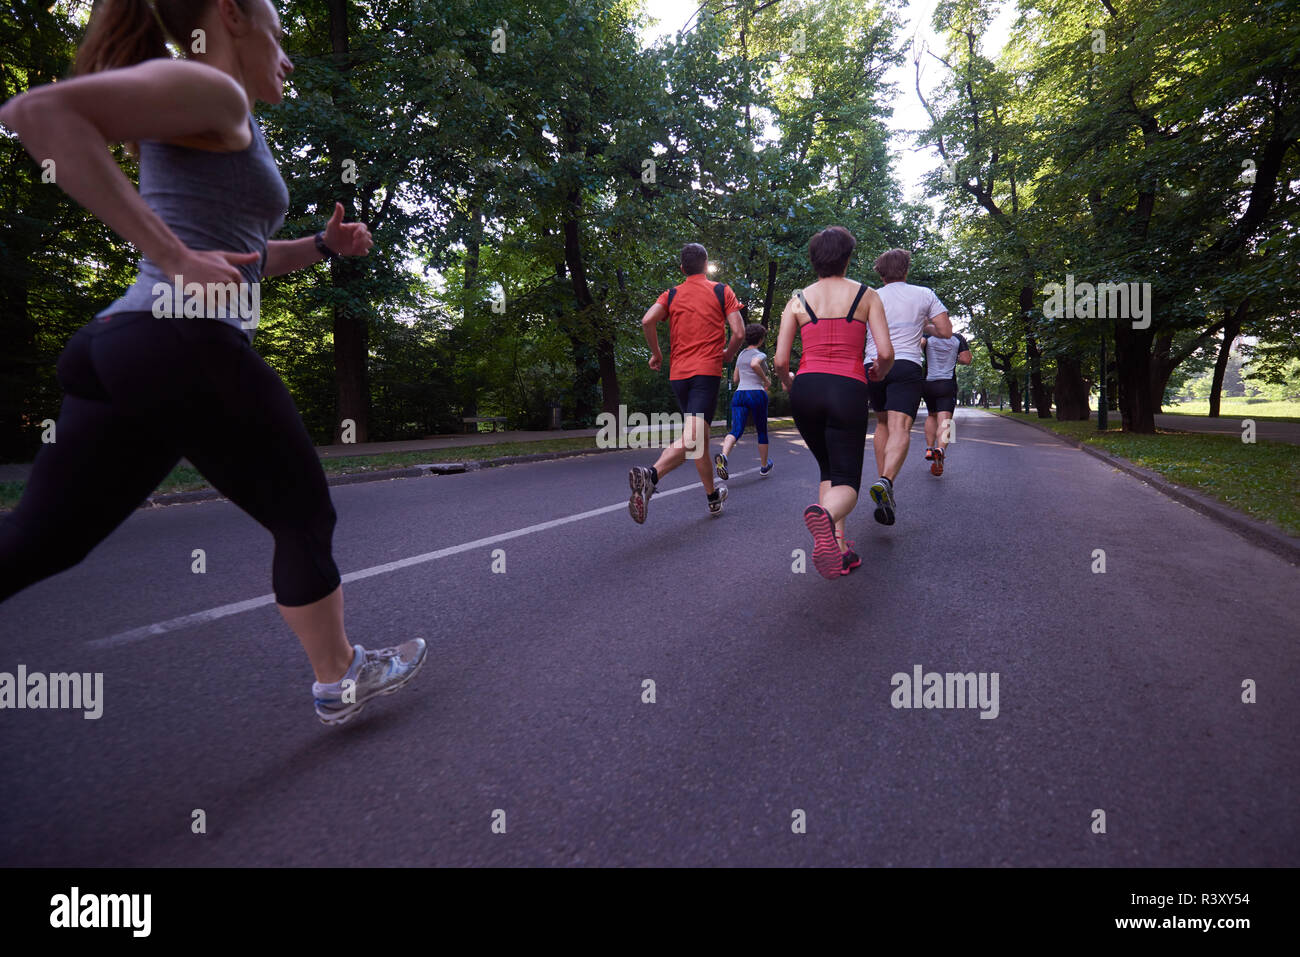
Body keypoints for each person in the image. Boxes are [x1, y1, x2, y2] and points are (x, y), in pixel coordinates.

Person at [0, 0, 425, 726]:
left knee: (44, 541)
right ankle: (340, 675)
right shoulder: (214, 88)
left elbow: (241, 262)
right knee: (303, 510)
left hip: (124, 346)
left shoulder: (220, 109)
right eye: (280, 33)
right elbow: (34, 114)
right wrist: (172, 256)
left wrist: (323, 249)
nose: (287, 52)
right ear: (230, 13)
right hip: (180, 343)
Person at [775, 226, 893, 580]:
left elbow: (781, 361)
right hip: (847, 387)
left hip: (806, 389)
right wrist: (880, 372)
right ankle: (825, 518)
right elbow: (885, 353)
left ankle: (839, 548)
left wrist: (788, 385)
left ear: (813, 259)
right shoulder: (867, 295)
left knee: (828, 468)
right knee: (848, 482)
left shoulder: (797, 299)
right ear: (848, 257)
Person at [628, 243, 745, 522]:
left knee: (698, 441)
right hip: (706, 373)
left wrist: (656, 354)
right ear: (706, 265)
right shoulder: (721, 290)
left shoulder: (671, 294)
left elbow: (647, 320)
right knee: (694, 437)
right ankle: (651, 475)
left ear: (682, 269)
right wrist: (727, 354)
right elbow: (739, 332)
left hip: (679, 376)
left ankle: (712, 497)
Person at [863, 249, 952, 524]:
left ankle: (883, 484)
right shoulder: (923, 294)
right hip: (905, 364)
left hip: (873, 364)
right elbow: (946, 330)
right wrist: (923, 326)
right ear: (906, 270)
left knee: (882, 425)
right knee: (899, 427)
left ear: (880, 273)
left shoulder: (869, 296)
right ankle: (886, 480)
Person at [714, 323, 773, 480]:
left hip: (739, 394)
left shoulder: (740, 356)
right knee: (761, 430)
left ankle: (724, 456)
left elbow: (735, 379)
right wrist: (766, 381)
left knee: (736, 430)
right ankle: (764, 466)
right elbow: (754, 364)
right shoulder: (760, 355)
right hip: (756, 394)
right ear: (761, 339)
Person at [919, 322, 972, 476]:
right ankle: (940, 451)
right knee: (946, 421)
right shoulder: (958, 338)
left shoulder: (927, 336)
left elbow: (920, 344)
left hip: (928, 383)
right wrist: (955, 357)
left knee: (931, 415)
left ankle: (930, 449)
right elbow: (966, 359)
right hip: (947, 384)